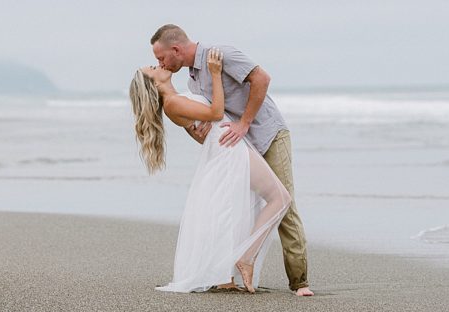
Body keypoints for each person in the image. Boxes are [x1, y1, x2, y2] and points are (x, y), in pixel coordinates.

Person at [149, 24, 314, 297]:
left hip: (267, 133)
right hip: (238, 146)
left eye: (161, 58)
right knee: (238, 207)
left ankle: (300, 283)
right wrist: (202, 128)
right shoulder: (192, 82)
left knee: (285, 204)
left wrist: (244, 123)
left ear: (176, 49)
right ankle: (230, 272)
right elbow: (214, 116)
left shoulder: (221, 55)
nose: (160, 63)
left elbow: (262, 79)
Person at [129, 48, 291, 293]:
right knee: (279, 198)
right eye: (152, 69)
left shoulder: (179, 97)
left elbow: (206, 125)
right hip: (228, 146)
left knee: (229, 212)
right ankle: (246, 258)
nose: (157, 65)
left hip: (225, 144)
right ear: (152, 83)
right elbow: (216, 112)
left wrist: (209, 120)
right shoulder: (172, 103)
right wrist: (215, 73)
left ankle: (227, 272)